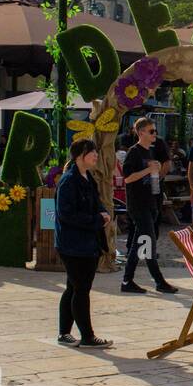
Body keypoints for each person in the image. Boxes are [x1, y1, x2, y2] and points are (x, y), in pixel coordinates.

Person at [53, 139, 113, 349]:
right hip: (73, 244)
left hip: (89, 242)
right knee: (81, 289)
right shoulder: (69, 181)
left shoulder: (88, 178)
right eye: (92, 152)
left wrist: (103, 213)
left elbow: (95, 203)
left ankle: (64, 333)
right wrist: (97, 220)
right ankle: (87, 336)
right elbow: (67, 214)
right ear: (80, 156)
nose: (96, 155)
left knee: (73, 287)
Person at [120, 118, 177, 295]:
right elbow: (128, 178)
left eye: (155, 131)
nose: (154, 134)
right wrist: (148, 170)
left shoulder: (149, 152)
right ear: (141, 132)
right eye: (151, 131)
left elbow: (152, 179)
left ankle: (127, 280)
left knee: (140, 243)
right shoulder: (134, 152)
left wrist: (156, 171)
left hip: (150, 202)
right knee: (148, 242)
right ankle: (159, 281)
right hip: (138, 205)